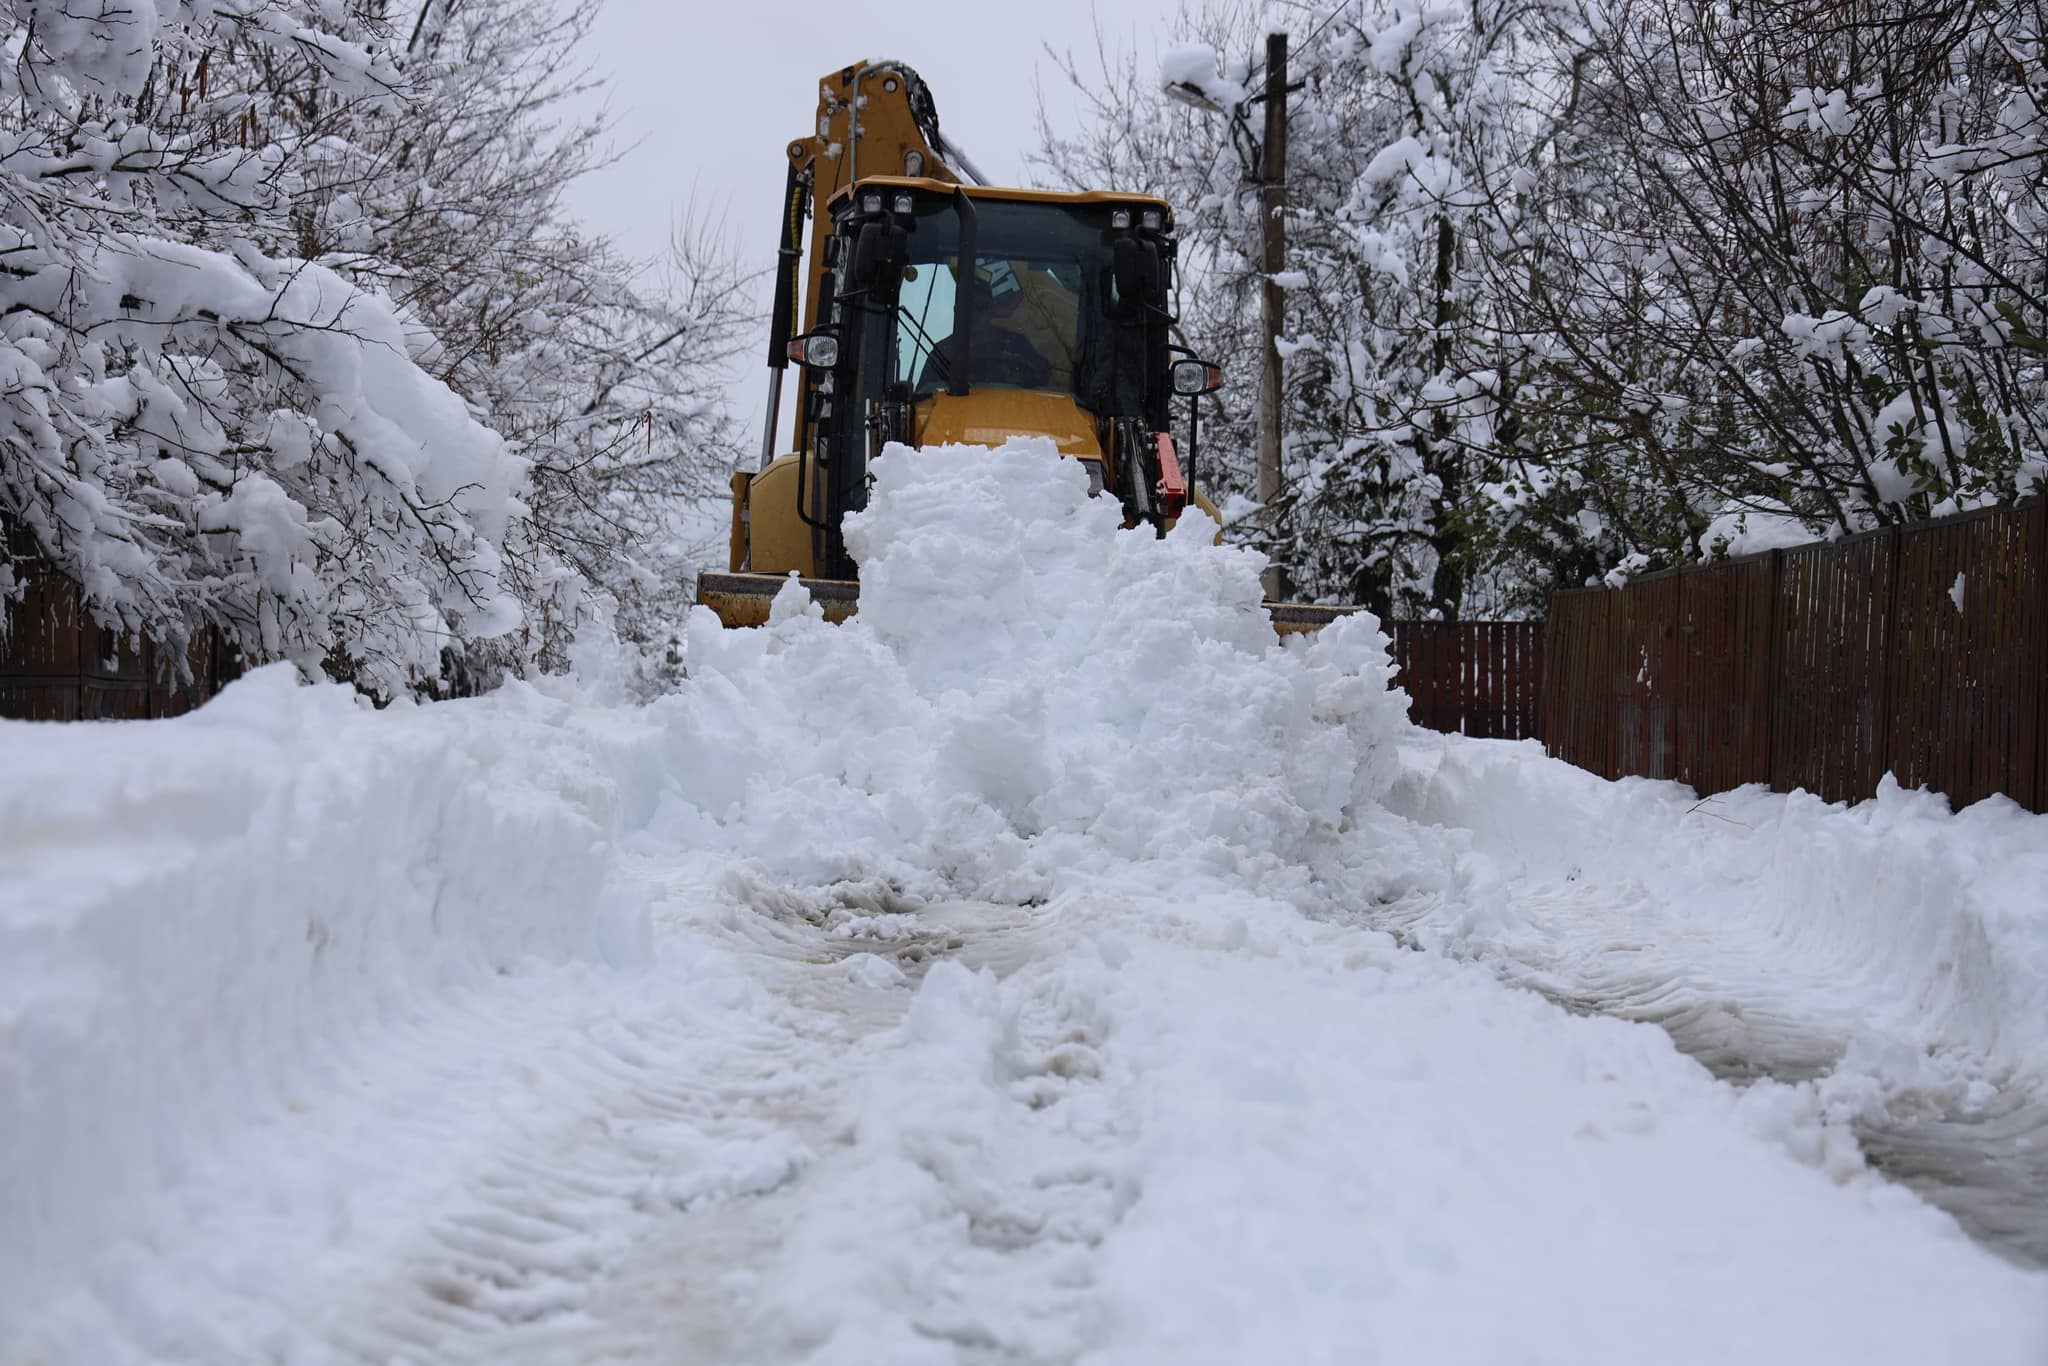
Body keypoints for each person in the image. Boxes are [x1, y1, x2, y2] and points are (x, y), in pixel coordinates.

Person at [917, 274, 1052, 392]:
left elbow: (1042, 377)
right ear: (956, 311)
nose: (974, 314)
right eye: (966, 307)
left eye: (981, 307)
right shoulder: (942, 353)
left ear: (992, 309)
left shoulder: (1016, 344)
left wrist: (1017, 376)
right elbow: (924, 397)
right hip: (954, 418)